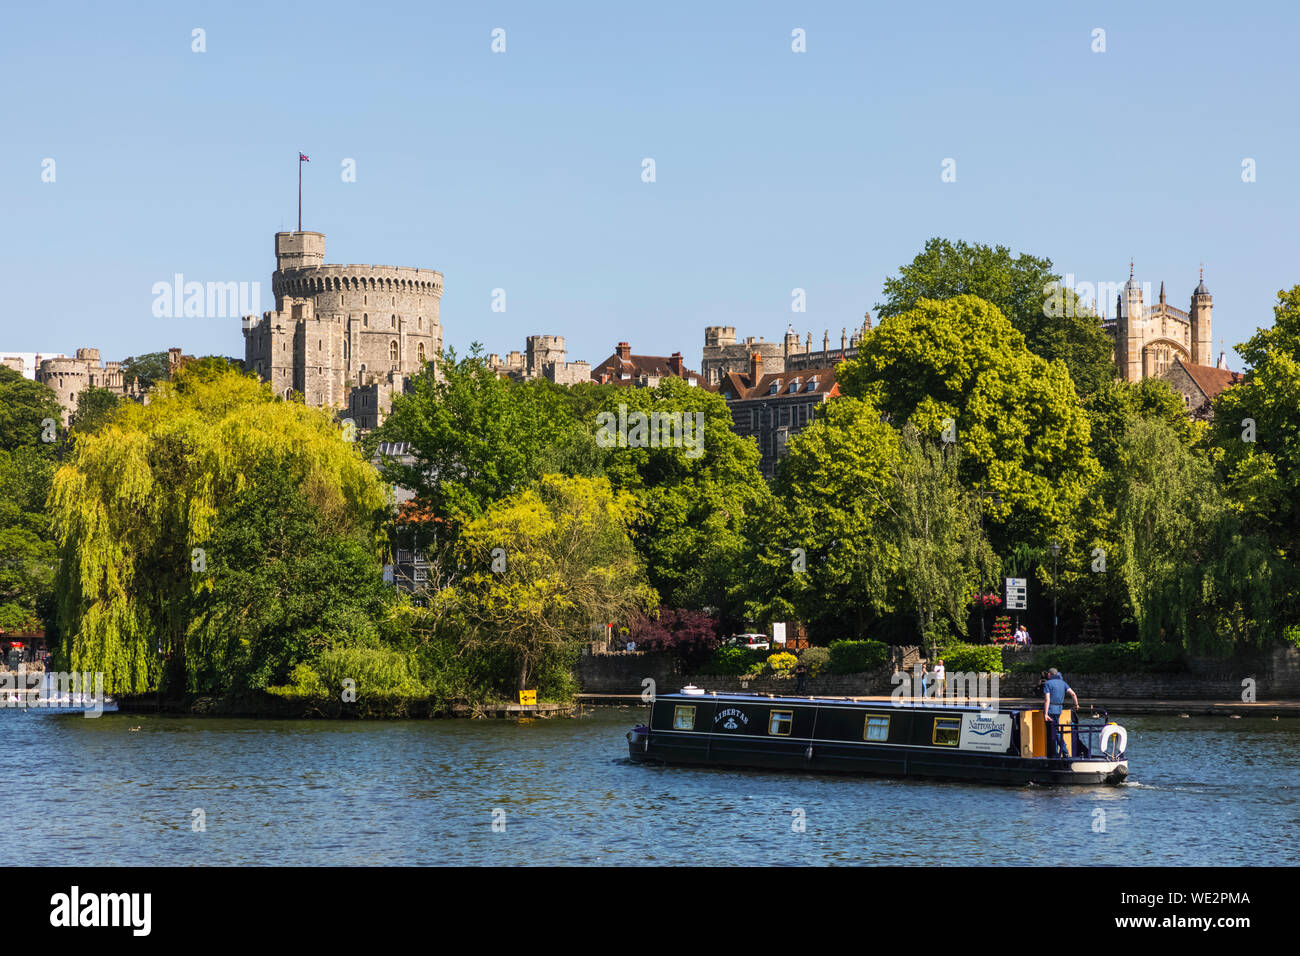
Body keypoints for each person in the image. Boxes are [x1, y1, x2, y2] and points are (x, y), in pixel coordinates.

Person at [1042, 667, 1080, 758]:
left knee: (1054, 733)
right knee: (1055, 731)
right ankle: (1056, 753)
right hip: (1059, 709)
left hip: (1051, 709)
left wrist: (1046, 714)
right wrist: (1076, 704)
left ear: (1049, 675)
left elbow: (1047, 699)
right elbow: (1073, 694)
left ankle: (1063, 752)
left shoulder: (1047, 683)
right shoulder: (1063, 683)